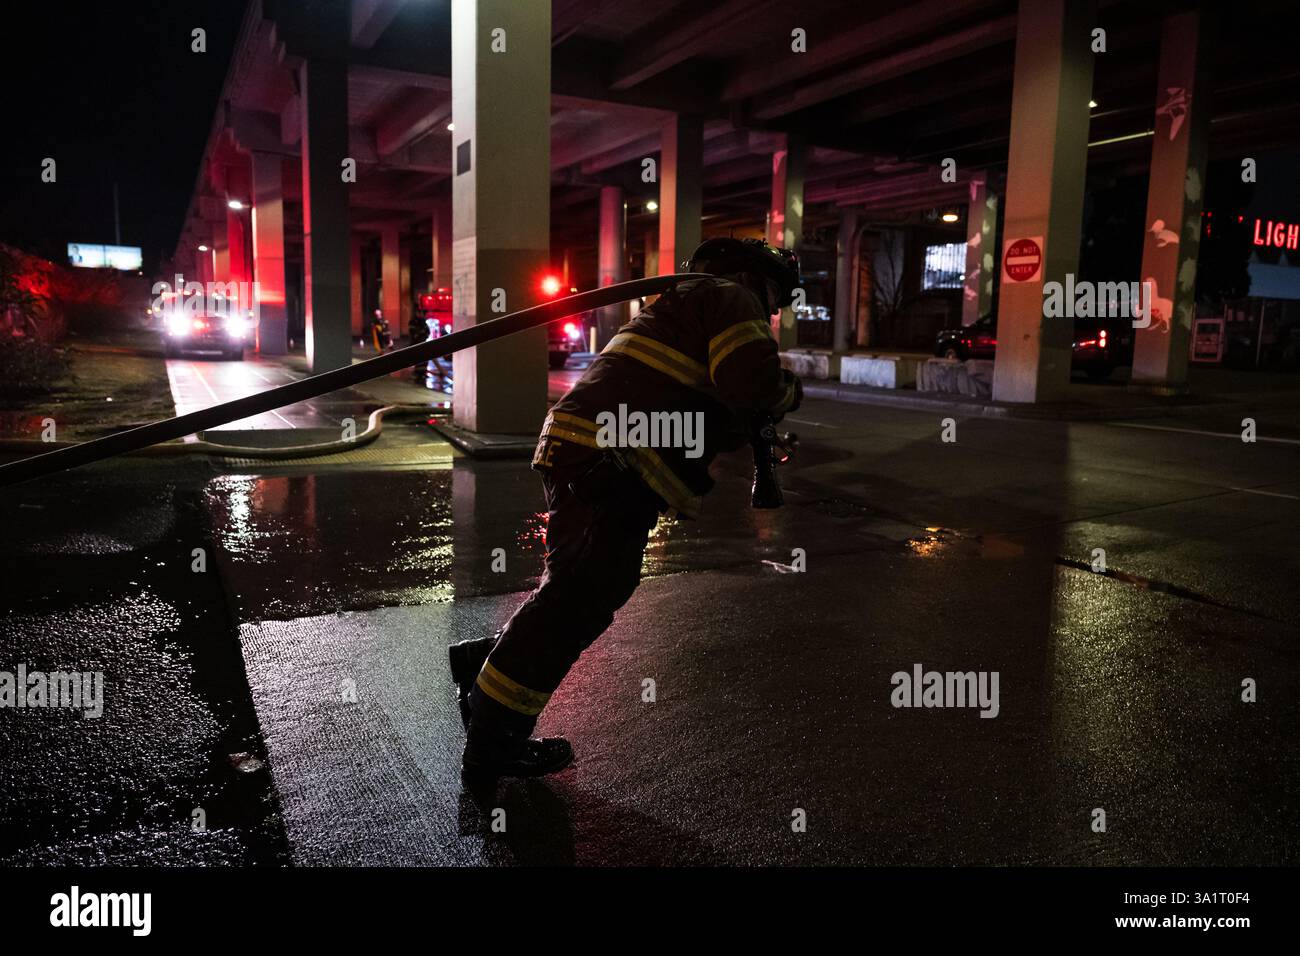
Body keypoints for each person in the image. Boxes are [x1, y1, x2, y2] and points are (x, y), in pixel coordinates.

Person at [448, 238, 803, 785]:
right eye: (775, 294)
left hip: (602, 455)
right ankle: (492, 750)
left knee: (582, 595)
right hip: (610, 459)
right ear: (754, 277)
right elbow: (751, 382)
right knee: (578, 599)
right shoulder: (731, 296)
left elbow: (705, 399)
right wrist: (784, 394)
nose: (773, 311)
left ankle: (484, 666)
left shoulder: (690, 302)